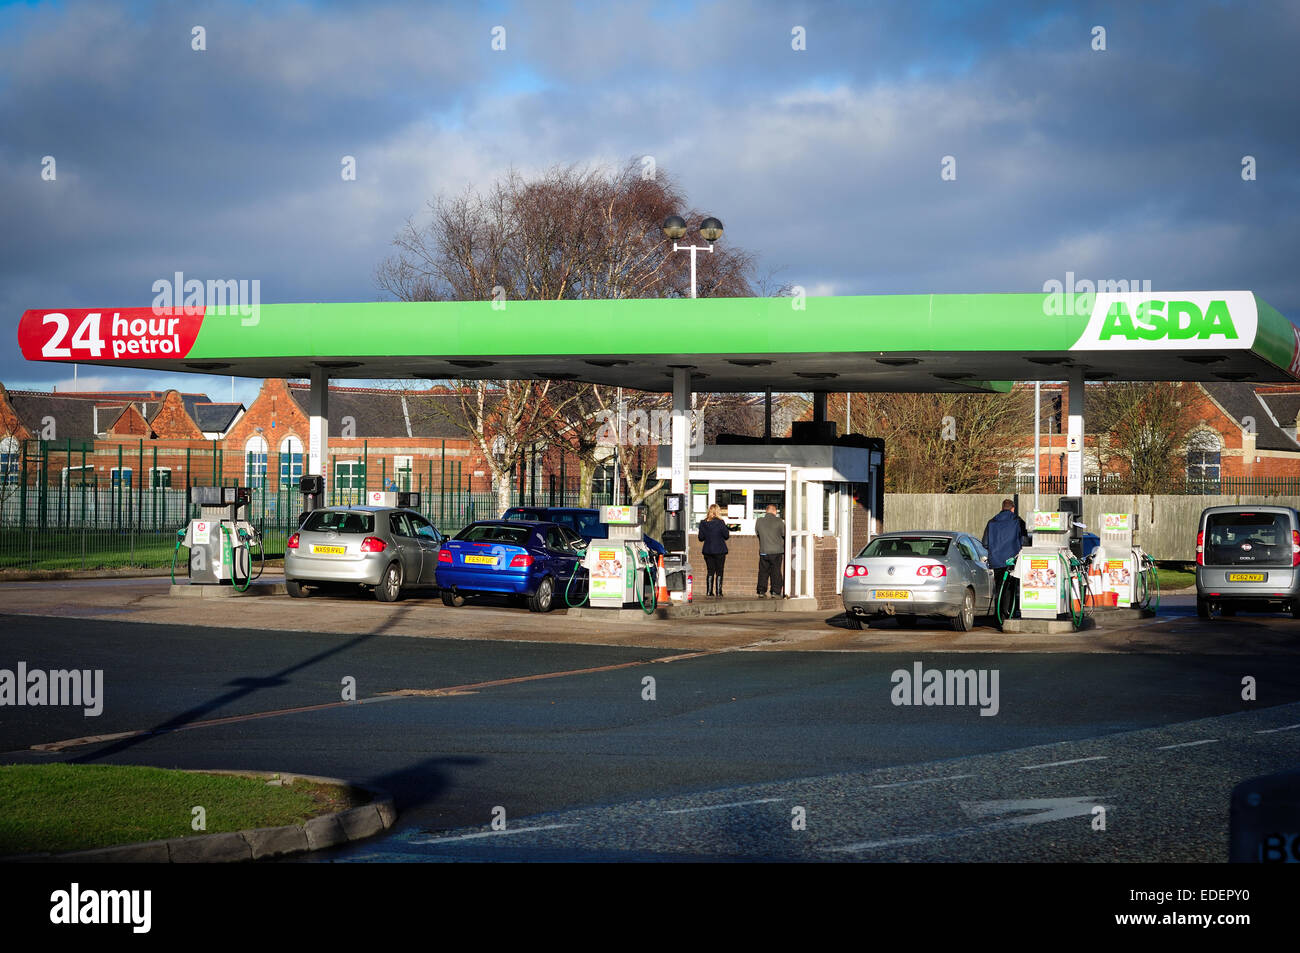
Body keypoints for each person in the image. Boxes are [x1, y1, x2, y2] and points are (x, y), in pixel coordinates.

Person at [982, 499, 1030, 621]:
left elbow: (985, 543)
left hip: (996, 561)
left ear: (1002, 507)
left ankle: (999, 616)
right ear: (1012, 508)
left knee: (999, 588)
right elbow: (1026, 539)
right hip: (1012, 560)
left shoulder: (992, 522)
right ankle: (1008, 613)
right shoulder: (1017, 521)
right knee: (1011, 587)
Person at [697, 503, 730, 598]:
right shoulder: (720, 522)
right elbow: (726, 536)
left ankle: (709, 591)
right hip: (720, 550)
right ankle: (719, 591)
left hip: (708, 550)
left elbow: (701, 538)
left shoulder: (703, 523)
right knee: (719, 571)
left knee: (710, 571)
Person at [754, 502, 787, 598]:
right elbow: (784, 534)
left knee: (763, 572)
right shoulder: (779, 521)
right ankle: (775, 591)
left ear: (766, 511)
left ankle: (761, 591)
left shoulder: (759, 521)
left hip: (764, 550)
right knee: (776, 572)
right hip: (777, 551)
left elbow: (757, 532)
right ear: (774, 511)